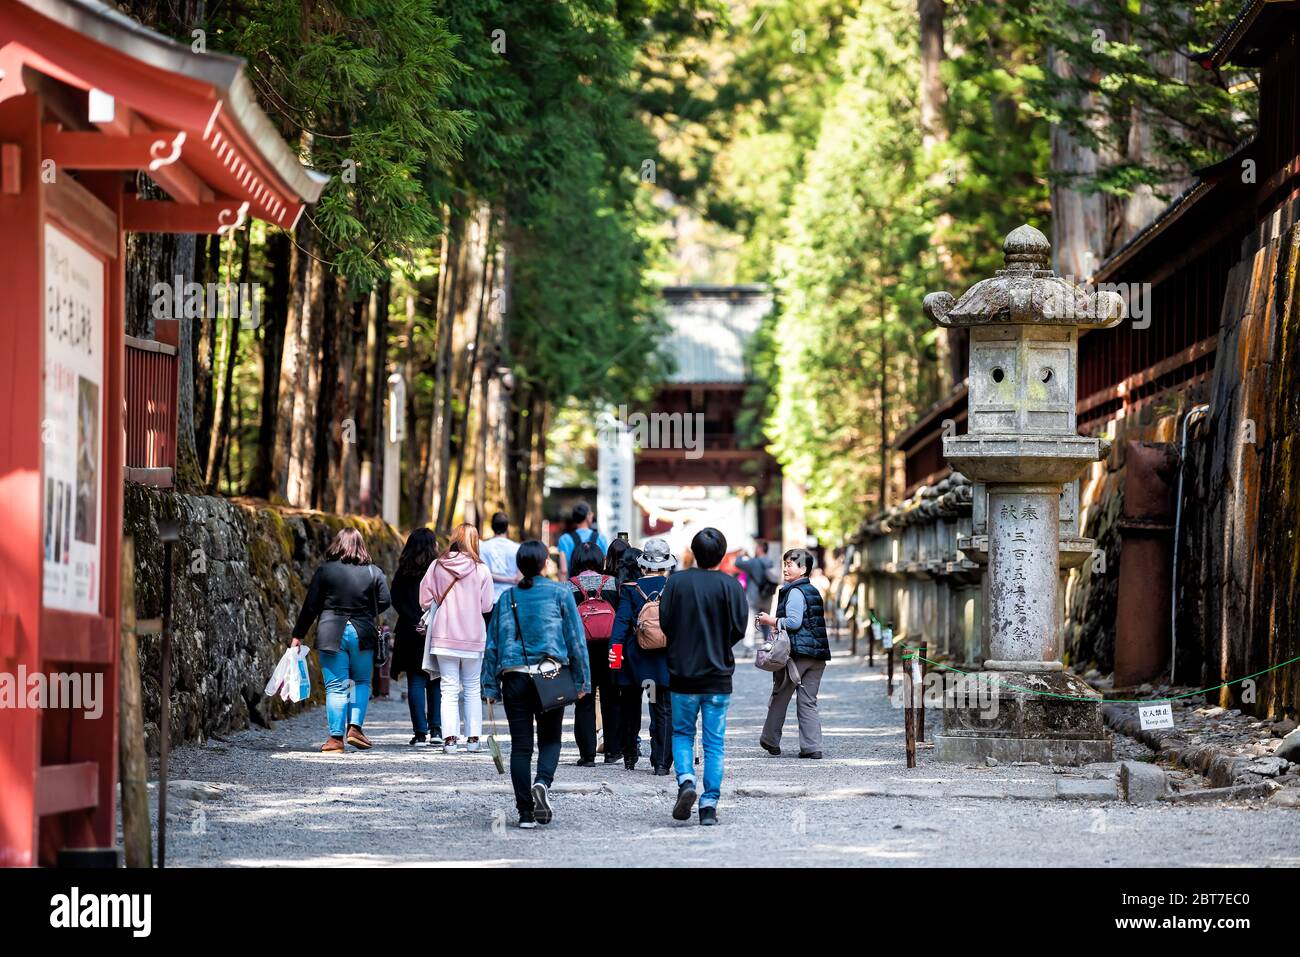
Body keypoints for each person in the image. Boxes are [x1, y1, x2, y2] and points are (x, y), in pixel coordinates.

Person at [481, 541, 591, 829]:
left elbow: (493, 643)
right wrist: (583, 681)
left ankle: (525, 814)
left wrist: (489, 686)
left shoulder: (507, 598)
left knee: (520, 747)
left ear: (519, 566)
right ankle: (542, 783)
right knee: (550, 739)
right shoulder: (559, 592)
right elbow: (576, 639)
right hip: (550, 675)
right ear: (545, 563)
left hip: (514, 677)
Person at [658, 527, 748, 825]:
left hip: (682, 674)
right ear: (722, 554)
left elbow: (665, 622)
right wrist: (719, 645)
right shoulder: (731, 585)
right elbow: (738, 629)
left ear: (693, 552)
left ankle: (686, 780)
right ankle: (708, 806)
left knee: (683, 733)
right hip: (718, 676)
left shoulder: (677, 582)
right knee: (714, 743)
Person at [291, 528, 391, 753]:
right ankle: (355, 728)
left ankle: (336, 740)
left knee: (336, 686)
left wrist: (298, 634)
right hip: (362, 633)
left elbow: (311, 606)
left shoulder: (325, 571)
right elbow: (386, 600)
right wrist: (367, 609)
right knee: (360, 682)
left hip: (330, 632)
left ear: (337, 544)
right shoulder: (373, 572)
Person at [420, 523, 494, 753]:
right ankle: (473, 740)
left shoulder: (437, 565)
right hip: (473, 636)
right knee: (472, 688)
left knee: (448, 689)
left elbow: (424, 599)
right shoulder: (481, 569)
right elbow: (486, 606)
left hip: (444, 635)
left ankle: (450, 740)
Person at [756, 548, 832, 759]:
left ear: (804, 569)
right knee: (808, 700)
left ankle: (769, 739)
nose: (786, 568)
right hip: (817, 655)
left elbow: (794, 622)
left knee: (781, 693)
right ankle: (812, 747)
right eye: (786, 564)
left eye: (791, 564)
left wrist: (769, 620)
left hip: (798, 654)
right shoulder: (812, 590)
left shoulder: (795, 592)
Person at [609, 537, 675, 774]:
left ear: (643, 566)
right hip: (661, 660)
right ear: (666, 565)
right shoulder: (672, 587)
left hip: (633, 660)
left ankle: (629, 756)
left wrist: (615, 657)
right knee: (661, 709)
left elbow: (621, 624)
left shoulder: (630, 589)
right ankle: (661, 762)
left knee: (630, 709)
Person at [567, 540, 622, 766]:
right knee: (611, 698)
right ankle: (611, 751)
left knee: (585, 700)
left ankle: (587, 755)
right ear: (601, 560)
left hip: (581, 650)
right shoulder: (612, 583)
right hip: (611, 648)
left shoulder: (569, 586)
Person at [389, 528, 443, 746]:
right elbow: (443, 599)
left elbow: (396, 599)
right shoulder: (439, 570)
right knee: (436, 680)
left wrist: (415, 621)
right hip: (436, 630)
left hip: (409, 631)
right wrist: (428, 622)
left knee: (415, 680)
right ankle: (437, 730)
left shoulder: (404, 570)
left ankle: (420, 733)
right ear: (432, 546)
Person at [735, 541, 778, 650]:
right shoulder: (770, 562)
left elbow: (738, 563)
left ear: (760, 548)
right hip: (768, 596)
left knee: (750, 621)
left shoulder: (754, 562)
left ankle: (749, 646)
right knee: (765, 620)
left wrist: (741, 555)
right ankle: (768, 644)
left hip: (754, 596)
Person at [479, 511, 520, 621]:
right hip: (511, 598)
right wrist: (511, 579)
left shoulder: (484, 547)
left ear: (492, 527)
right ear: (507, 527)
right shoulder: (516, 548)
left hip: (489, 600)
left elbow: (482, 573)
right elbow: (519, 577)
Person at [556, 502, 608, 579]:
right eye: (590, 513)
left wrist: (565, 588)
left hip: (574, 586)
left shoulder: (564, 539)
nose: (592, 515)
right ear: (587, 516)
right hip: (597, 587)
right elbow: (605, 567)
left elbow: (564, 570)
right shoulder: (600, 538)